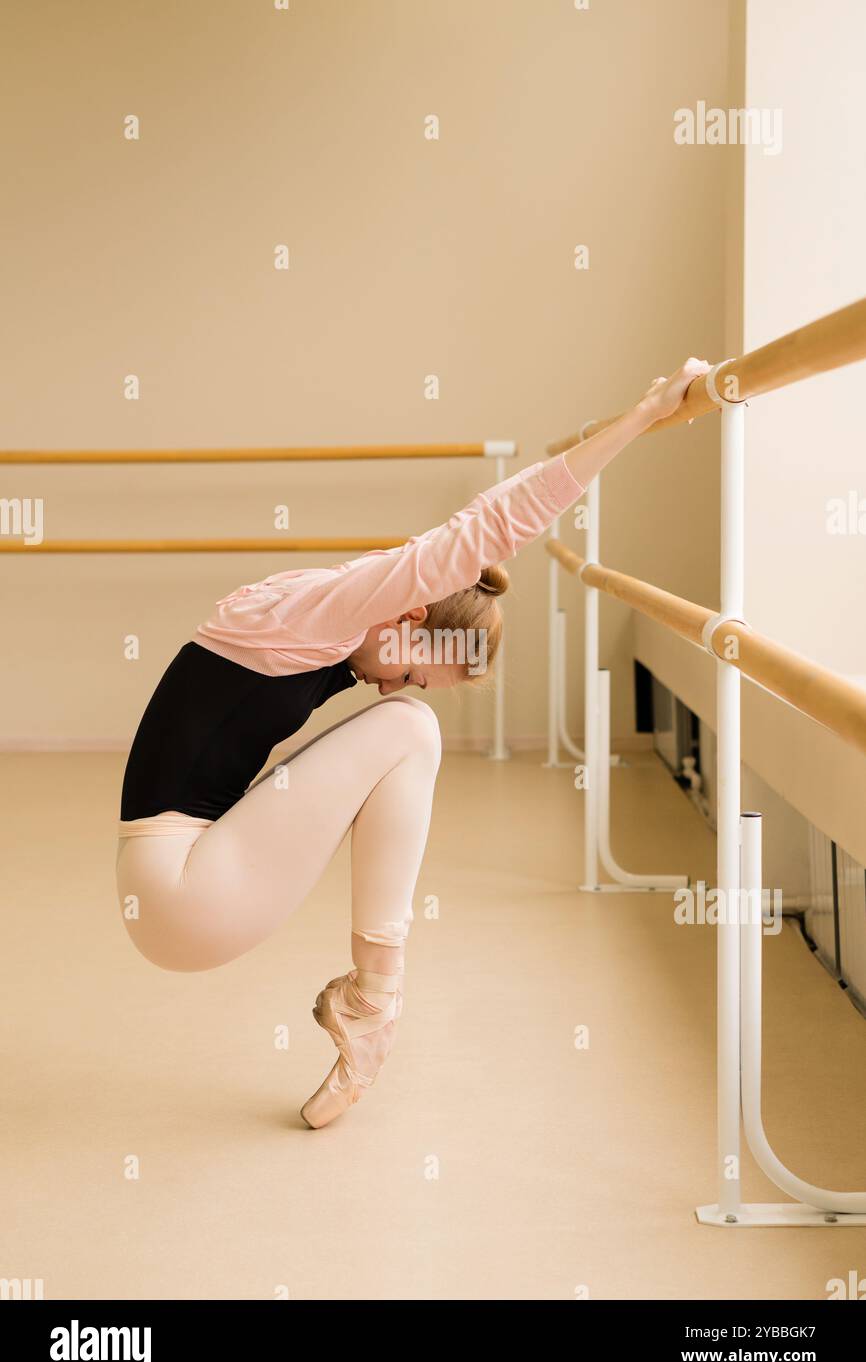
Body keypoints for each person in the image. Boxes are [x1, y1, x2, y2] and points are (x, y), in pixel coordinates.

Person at [115, 358, 709, 1128]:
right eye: (415, 671)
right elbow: (485, 528)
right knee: (410, 728)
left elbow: (447, 551)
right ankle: (374, 1004)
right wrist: (643, 415)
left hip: (179, 885)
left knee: (405, 724)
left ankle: (372, 1003)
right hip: (183, 895)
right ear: (408, 617)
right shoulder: (327, 613)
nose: (392, 684)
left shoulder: (321, 608)